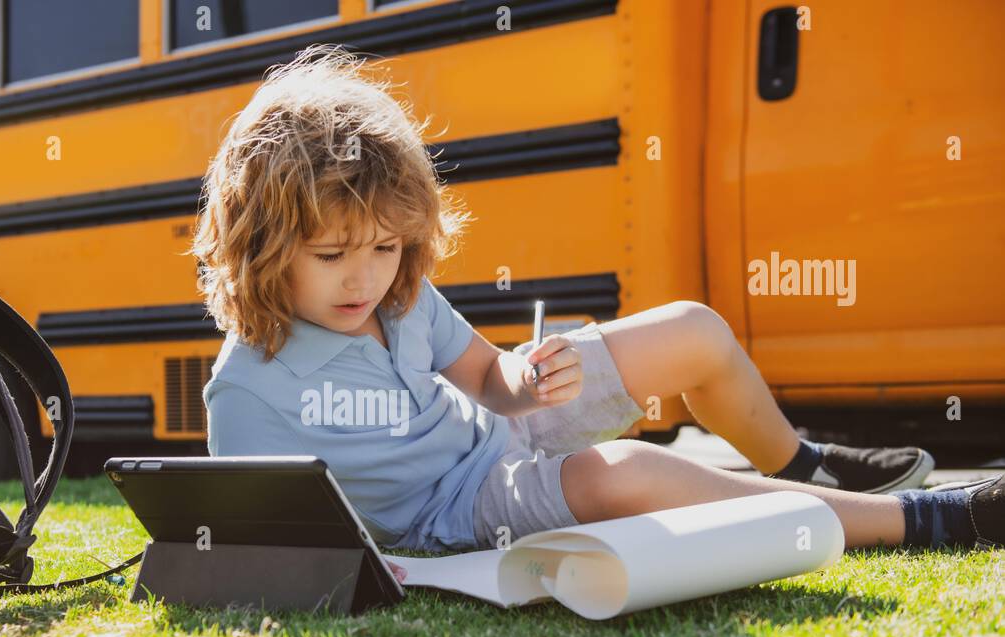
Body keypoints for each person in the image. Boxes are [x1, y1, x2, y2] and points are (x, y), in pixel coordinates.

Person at [193, 45, 1002, 555]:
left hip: (500, 429)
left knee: (696, 328)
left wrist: (530, 378)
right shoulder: (248, 388)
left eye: (386, 246)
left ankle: (806, 465)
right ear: (260, 247)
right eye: (333, 254)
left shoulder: (401, 296)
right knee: (629, 473)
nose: (365, 278)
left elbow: (485, 377)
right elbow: (260, 543)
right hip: (461, 508)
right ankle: (930, 520)